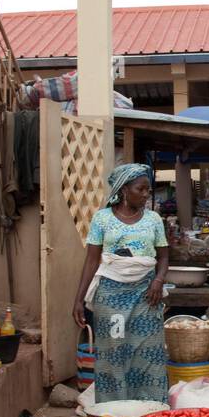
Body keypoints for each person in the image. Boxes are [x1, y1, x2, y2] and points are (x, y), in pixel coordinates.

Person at [73, 164, 170, 402]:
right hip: (110, 294)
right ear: (124, 189)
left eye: (148, 189)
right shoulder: (102, 219)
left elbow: (164, 257)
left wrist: (158, 280)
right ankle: (114, 409)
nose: (146, 194)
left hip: (148, 293)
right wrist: (79, 300)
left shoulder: (154, 220)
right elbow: (92, 261)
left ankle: (150, 407)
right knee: (113, 352)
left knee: (148, 351)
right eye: (141, 189)